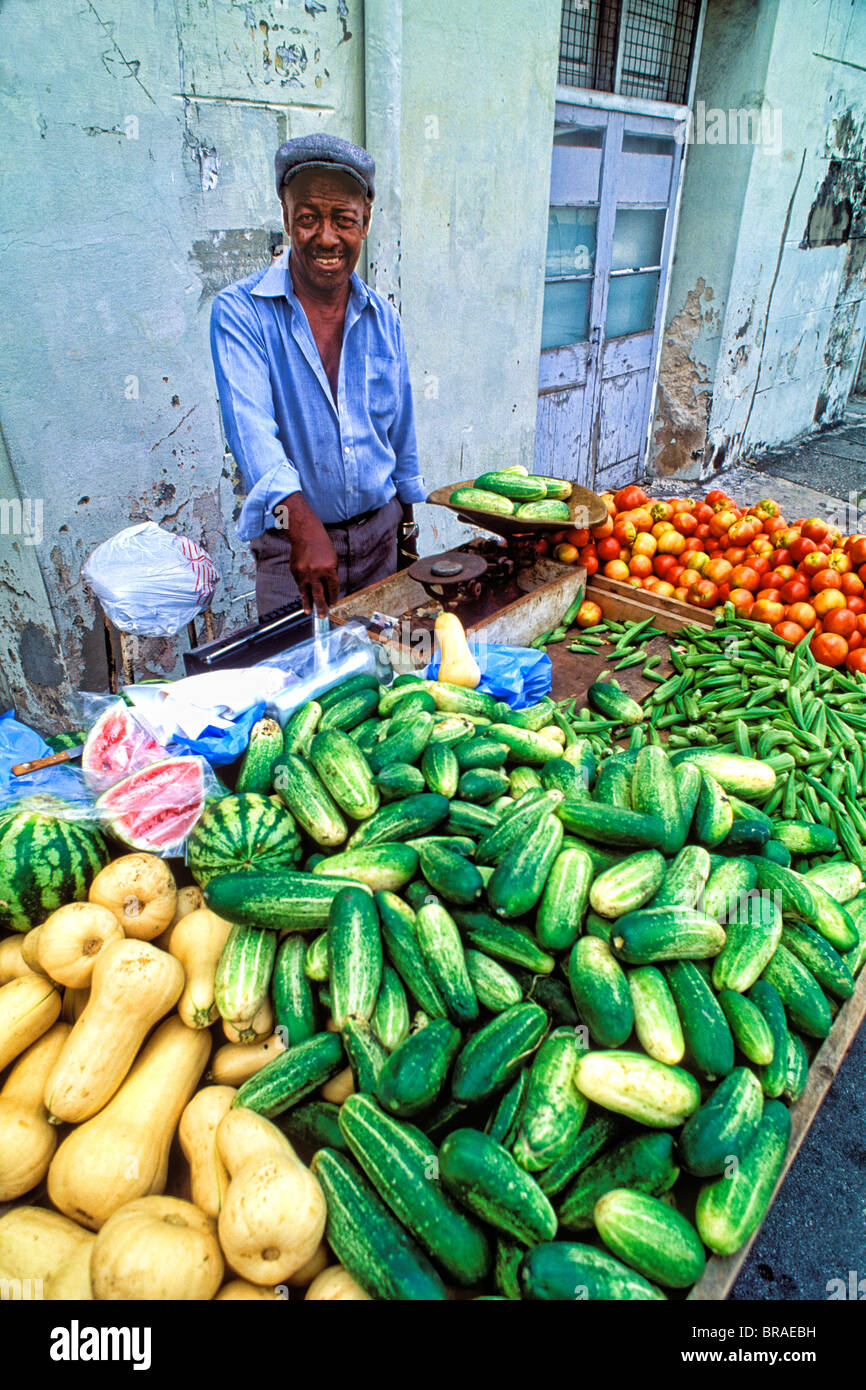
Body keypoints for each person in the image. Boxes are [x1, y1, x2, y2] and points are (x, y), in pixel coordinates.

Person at [210, 133, 426, 618]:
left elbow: (400, 431)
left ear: (364, 223)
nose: (326, 237)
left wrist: (407, 528)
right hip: (293, 548)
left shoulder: (383, 319)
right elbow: (250, 432)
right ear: (287, 219)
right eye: (308, 218)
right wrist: (304, 527)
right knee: (295, 685)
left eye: (343, 220)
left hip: (380, 542)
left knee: (391, 677)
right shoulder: (240, 313)